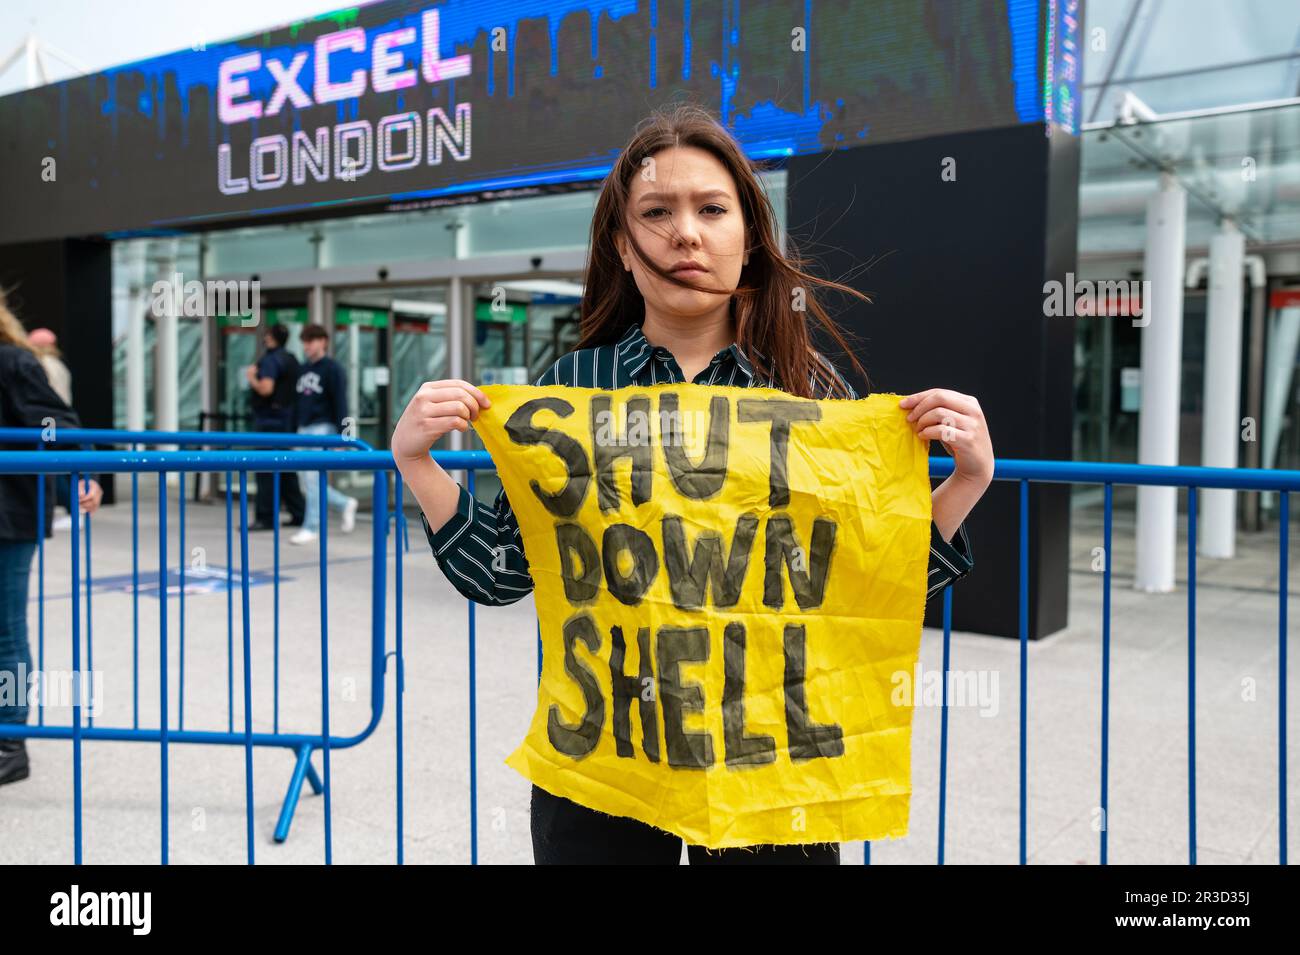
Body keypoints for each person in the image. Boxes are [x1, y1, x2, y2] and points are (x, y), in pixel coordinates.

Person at [392, 104, 995, 864]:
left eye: (712, 209)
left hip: (773, 760)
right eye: (656, 211)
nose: (686, 232)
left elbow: (865, 584)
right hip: (604, 758)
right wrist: (417, 463)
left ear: (748, 237)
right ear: (623, 241)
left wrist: (967, 481)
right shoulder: (574, 388)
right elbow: (504, 571)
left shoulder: (811, 390)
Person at [0, 291, 103, 785]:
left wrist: (80, 474)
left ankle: (9, 742)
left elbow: (55, 424)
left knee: (5, 632)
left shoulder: (13, 361)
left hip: (8, 517)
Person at [290, 324, 358, 545]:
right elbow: (297, 404)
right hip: (303, 429)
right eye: (305, 341)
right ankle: (344, 503)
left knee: (312, 480)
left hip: (323, 429)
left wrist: (343, 436)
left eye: (311, 341)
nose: (307, 346)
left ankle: (312, 527)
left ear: (323, 341)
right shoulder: (302, 369)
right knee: (307, 482)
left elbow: (341, 402)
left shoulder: (332, 369)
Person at [245, 324, 306, 530]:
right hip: (288, 421)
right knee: (287, 468)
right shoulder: (291, 359)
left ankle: (265, 517)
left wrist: (252, 377)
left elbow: (266, 388)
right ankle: (298, 513)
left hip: (270, 422)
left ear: (270, 338)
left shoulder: (271, 360)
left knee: (265, 469)